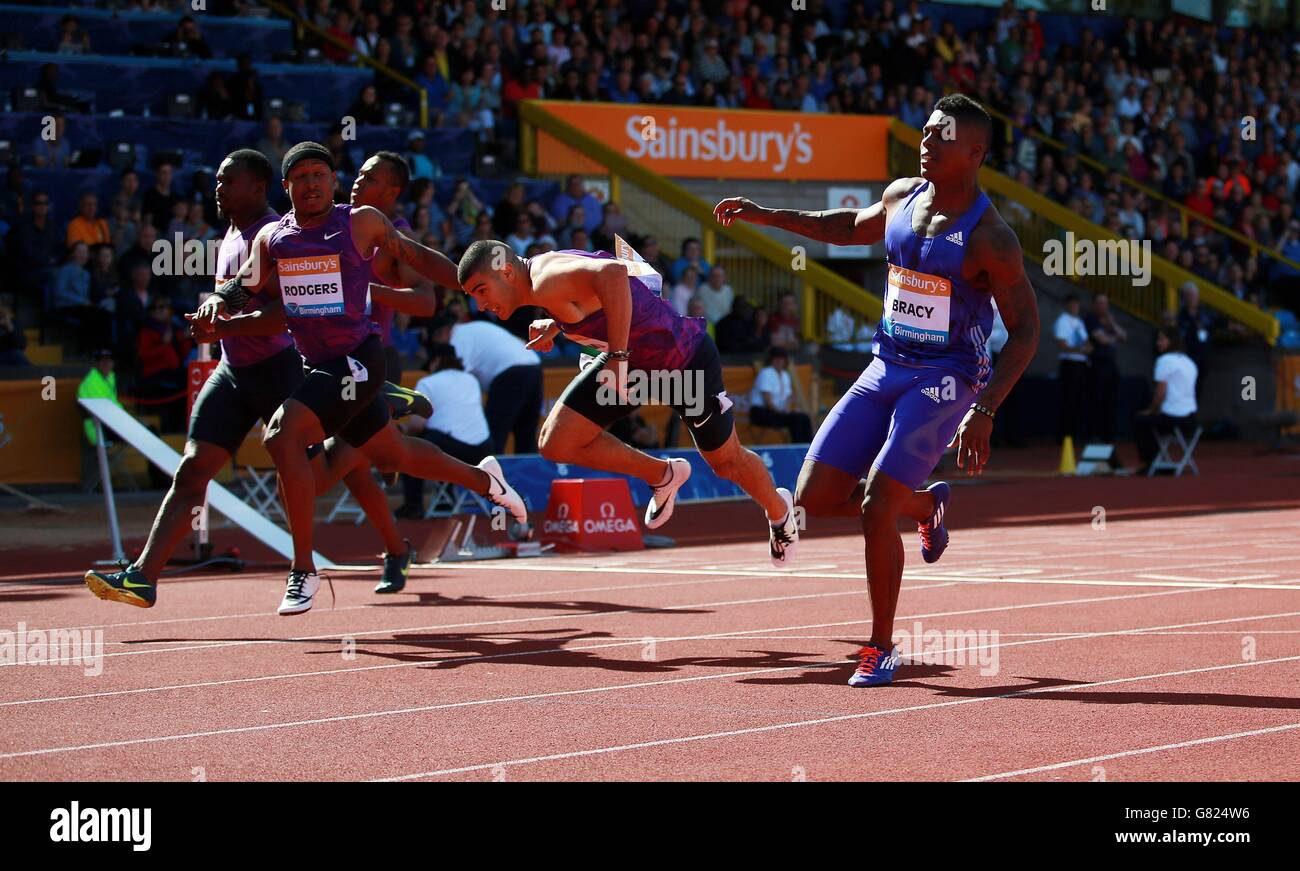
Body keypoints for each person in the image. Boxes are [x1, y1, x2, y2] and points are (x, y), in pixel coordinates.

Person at [713, 94, 1040, 686]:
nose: (926, 142)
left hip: (946, 377)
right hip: (887, 364)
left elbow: (1026, 331)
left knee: (873, 508)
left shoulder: (993, 238)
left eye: (941, 136)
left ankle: (881, 647)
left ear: (975, 152)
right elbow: (842, 228)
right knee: (814, 494)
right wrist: (766, 214)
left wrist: (986, 409)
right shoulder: (900, 196)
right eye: (925, 132)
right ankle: (925, 504)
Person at [83, 150, 436, 611]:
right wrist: (217, 313)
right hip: (233, 371)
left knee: (320, 474)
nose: (217, 189)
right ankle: (143, 577)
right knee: (193, 469)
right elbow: (240, 297)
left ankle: (373, 418)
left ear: (257, 186)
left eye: (227, 181)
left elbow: (286, 314)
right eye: (217, 180)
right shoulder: (233, 233)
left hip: (282, 368)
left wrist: (226, 324)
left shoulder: (285, 235)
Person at [187, 142, 527, 614]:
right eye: (301, 176)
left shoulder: (360, 221)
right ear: (286, 188)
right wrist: (215, 308)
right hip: (317, 364)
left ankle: (303, 568)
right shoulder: (275, 239)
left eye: (319, 174)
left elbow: (419, 258)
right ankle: (485, 480)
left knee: (281, 437)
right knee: (395, 452)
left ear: (331, 181)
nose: (311, 183)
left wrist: (470, 283)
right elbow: (239, 287)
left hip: (360, 358)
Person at [457, 240, 800, 566]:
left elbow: (613, 274)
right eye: (473, 297)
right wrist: (560, 324)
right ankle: (663, 475)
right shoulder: (542, 278)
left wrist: (618, 356)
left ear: (506, 272)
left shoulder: (547, 280)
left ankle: (779, 512)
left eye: (481, 291)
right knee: (556, 442)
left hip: (681, 363)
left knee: (726, 462)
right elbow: (594, 295)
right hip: (635, 368)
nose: (481, 305)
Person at [397, 343, 493, 521]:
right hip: (483, 449)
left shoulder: (427, 383)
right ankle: (444, 500)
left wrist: (402, 431)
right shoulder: (471, 380)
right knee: (438, 440)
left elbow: (417, 425)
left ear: (436, 361)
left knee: (411, 447)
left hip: (450, 448)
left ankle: (413, 505)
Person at [428, 311, 542, 454]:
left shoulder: (457, 340)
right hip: (534, 366)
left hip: (509, 372)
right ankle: (527, 475)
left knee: (495, 435)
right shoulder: (473, 329)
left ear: (443, 333)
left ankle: (492, 474)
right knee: (526, 435)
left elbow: (458, 382)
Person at [1133, 326, 1197, 474]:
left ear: (1171, 341)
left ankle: (1149, 462)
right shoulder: (1189, 362)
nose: (1158, 342)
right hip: (1191, 418)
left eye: (1162, 339)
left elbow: (1160, 393)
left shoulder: (1165, 360)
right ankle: (1158, 462)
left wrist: (1151, 410)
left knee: (1140, 420)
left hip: (1173, 417)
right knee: (1150, 421)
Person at [1084, 293, 1126, 442]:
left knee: (1111, 401)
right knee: (1096, 400)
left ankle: (1109, 434)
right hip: (1096, 366)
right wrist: (1113, 338)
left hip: (1111, 366)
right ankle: (1094, 434)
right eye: (1100, 303)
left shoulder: (1109, 321)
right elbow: (1103, 340)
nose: (1104, 307)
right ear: (1094, 305)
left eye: (1105, 304)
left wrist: (1112, 324)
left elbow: (1123, 336)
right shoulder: (1090, 319)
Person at [750, 347, 812, 442]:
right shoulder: (766, 373)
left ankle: (807, 448)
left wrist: (791, 408)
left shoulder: (785, 375)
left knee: (804, 417)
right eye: (776, 358)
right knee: (795, 419)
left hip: (777, 412)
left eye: (781, 358)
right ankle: (796, 448)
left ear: (785, 360)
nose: (779, 361)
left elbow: (788, 398)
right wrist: (782, 413)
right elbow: (768, 402)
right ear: (771, 359)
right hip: (761, 412)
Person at [1054, 292, 1091, 447]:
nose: (1075, 307)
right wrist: (1080, 351)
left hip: (1081, 364)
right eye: (1073, 304)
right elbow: (1062, 344)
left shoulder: (1079, 322)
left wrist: (1086, 350)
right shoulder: (1063, 321)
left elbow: (1088, 343)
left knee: (1079, 400)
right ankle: (1065, 435)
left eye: (1077, 304)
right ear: (1067, 305)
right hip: (1070, 364)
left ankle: (1076, 433)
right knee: (1068, 399)